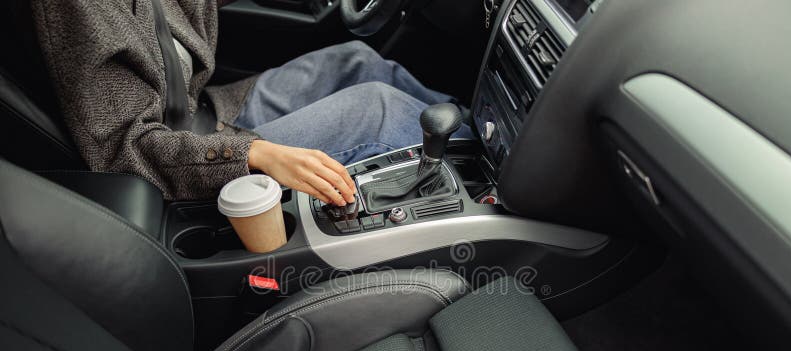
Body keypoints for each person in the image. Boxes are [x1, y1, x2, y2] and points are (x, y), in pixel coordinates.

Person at [31, 0, 472, 206]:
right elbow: (125, 150)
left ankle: (476, 130)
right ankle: (489, 175)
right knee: (377, 109)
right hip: (185, 158)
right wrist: (253, 154)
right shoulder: (74, 9)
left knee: (356, 61)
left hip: (208, 111)